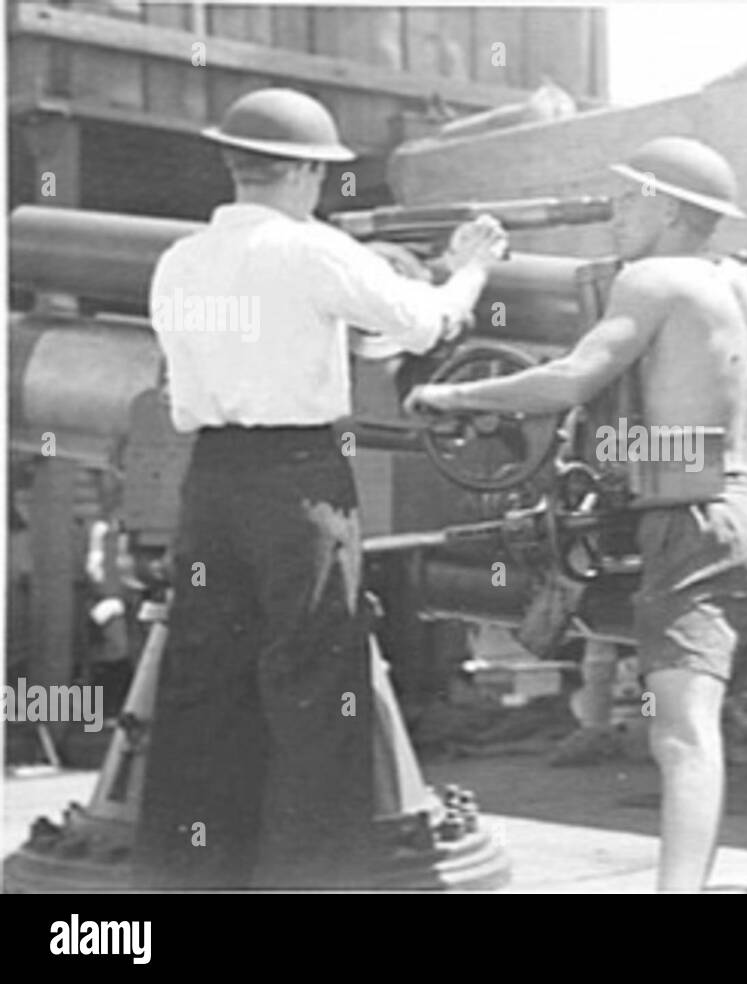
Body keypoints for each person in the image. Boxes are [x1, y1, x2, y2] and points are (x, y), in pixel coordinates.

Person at [406, 136, 747, 893]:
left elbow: (575, 379)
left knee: (680, 734)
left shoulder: (650, 280)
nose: (614, 214)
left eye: (628, 198)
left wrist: (455, 396)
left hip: (697, 527)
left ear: (671, 209)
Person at [135, 87, 507, 889]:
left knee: (204, 680)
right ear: (306, 170)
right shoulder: (309, 250)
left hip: (212, 484)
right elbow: (422, 322)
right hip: (298, 484)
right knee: (314, 678)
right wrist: (469, 267)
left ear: (236, 165)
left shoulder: (179, 260)